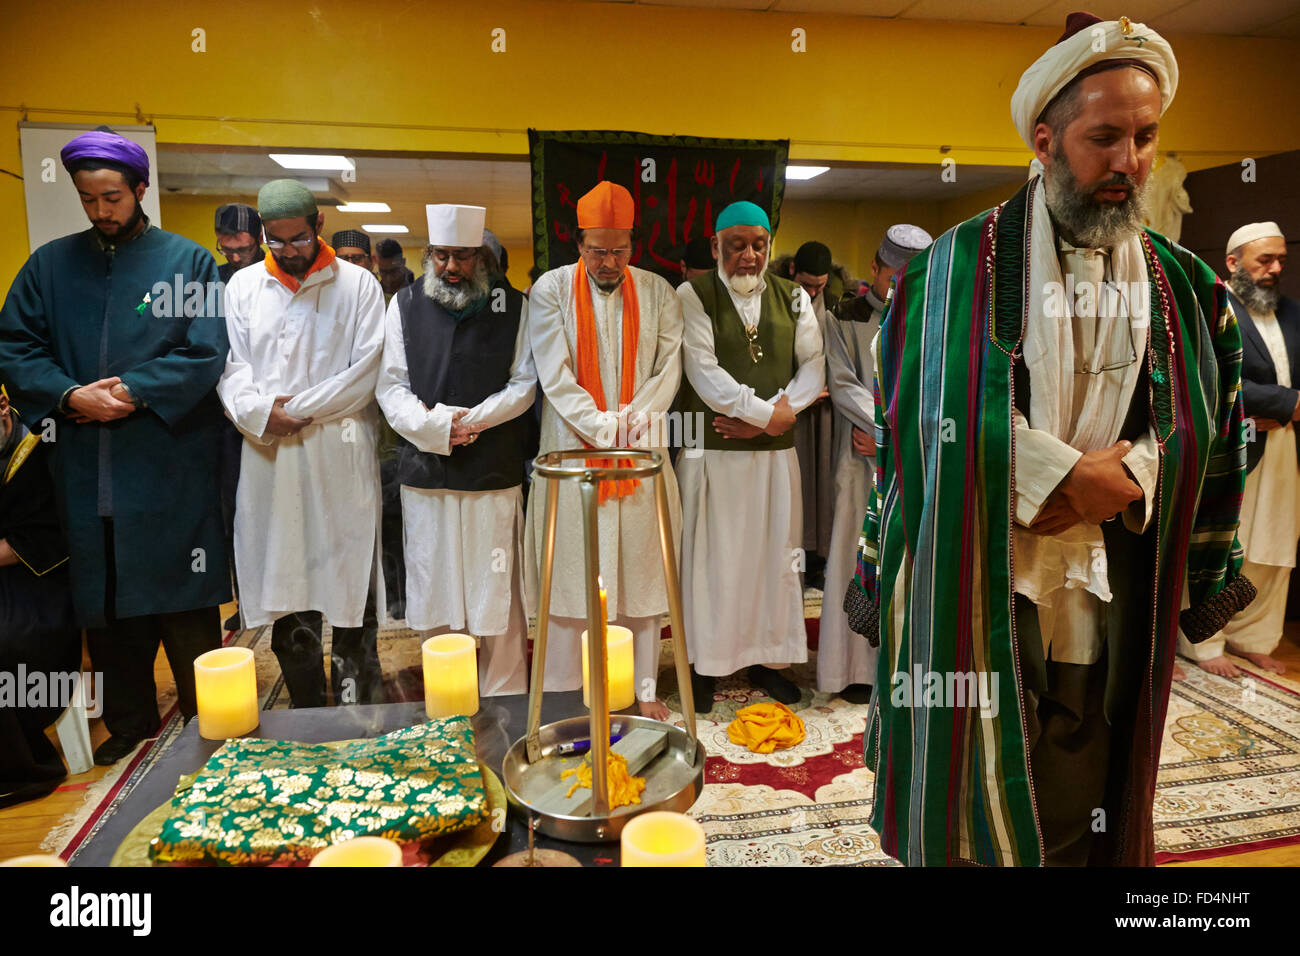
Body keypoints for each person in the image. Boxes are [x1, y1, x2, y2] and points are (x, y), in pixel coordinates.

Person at [845, 14, 1254, 866]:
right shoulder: (950, 270)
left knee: (1091, 758)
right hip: (990, 568)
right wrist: (1047, 479)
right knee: (974, 765)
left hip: (1115, 567)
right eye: (1103, 137)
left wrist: (1133, 473)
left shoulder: (1186, 284)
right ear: (1044, 138)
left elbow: (1212, 423)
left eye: (1145, 138)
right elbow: (912, 419)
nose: (1127, 162)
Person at [0, 128, 231, 764]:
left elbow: (206, 350)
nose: (101, 211)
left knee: (183, 594)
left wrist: (130, 390)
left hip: (166, 460)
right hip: (80, 462)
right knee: (103, 601)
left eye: (112, 197)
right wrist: (71, 395)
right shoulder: (49, 265)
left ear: (140, 189)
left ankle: (210, 713)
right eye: (88, 199)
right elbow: (15, 346)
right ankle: (128, 721)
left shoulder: (188, 262)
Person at [218, 179, 386, 708]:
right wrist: (262, 413)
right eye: (277, 241)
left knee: (349, 578)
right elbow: (232, 369)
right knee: (286, 579)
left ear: (318, 226)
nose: (288, 251)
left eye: (298, 239)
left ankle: (358, 711)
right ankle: (307, 709)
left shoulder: (358, 285)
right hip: (272, 458)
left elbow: (367, 370)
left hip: (339, 452)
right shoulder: (243, 288)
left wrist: (296, 411)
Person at [525, 181, 684, 721]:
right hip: (573, 450)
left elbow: (669, 370)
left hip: (639, 452)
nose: (609, 261)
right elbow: (555, 372)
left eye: (619, 250)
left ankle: (642, 689)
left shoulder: (659, 291)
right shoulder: (549, 290)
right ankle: (568, 689)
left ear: (632, 245)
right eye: (598, 250)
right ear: (579, 242)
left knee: (641, 578)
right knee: (573, 574)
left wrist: (630, 425)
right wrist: (601, 426)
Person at [377, 204, 538, 696]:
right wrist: (437, 427)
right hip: (428, 474)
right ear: (428, 256)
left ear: (482, 259)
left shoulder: (516, 307)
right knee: (435, 583)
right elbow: (391, 386)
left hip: (493, 471)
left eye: (463, 257)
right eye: (442, 255)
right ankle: (448, 699)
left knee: (498, 589)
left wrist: (475, 421)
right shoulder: (403, 305)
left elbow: (525, 382)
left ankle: (505, 696)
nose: (452, 267)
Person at [676, 201, 825, 709]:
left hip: (774, 461)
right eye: (737, 244)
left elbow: (813, 364)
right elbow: (703, 371)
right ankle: (704, 665)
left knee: (773, 561)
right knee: (712, 563)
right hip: (712, 456)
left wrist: (783, 414)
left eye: (758, 244)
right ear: (716, 245)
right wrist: (768, 414)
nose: (748, 255)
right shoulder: (692, 295)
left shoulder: (795, 298)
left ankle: (769, 659)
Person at [817, 225, 930, 704]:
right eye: (894, 275)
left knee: (911, 563)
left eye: (913, 277)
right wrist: (886, 432)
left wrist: (894, 439)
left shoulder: (936, 316)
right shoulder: (842, 316)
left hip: (917, 461)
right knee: (853, 557)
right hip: (860, 461)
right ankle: (852, 672)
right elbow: (842, 384)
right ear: (875, 269)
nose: (901, 285)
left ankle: (904, 667)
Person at [1179, 222, 1295, 677]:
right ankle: (1205, 644)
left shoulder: (1291, 313)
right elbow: (1211, 375)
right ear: (1232, 263)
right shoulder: (1209, 309)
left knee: (1274, 548)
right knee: (1226, 544)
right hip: (1234, 446)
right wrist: (1288, 403)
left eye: (1280, 260)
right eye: (1264, 260)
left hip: (1285, 452)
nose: (1274, 269)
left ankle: (1257, 637)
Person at [0, 383, 81, 806]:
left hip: (37, 580)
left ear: (2, 407)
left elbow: (45, 536)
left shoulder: (41, 444)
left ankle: (21, 767)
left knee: (8, 645)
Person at [214, 202, 265, 632]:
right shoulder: (209, 278)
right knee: (234, 511)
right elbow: (147, 312)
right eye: (226, 249)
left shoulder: (275, 274)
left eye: (242, 249)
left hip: (271, 409)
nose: (234, 257)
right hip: (224, 417)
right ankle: (246, 597)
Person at [214, 203, 264, 283]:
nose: (236, 259)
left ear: (260, 239)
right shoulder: (212, 279)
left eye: (243, 250)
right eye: (227, 250)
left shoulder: (281, 276)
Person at [376, 238, 415, 304]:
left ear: (403, 262)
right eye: (383, 272)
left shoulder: (415, 293)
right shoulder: (374, 293)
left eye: (393, 271)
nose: (389, 279)